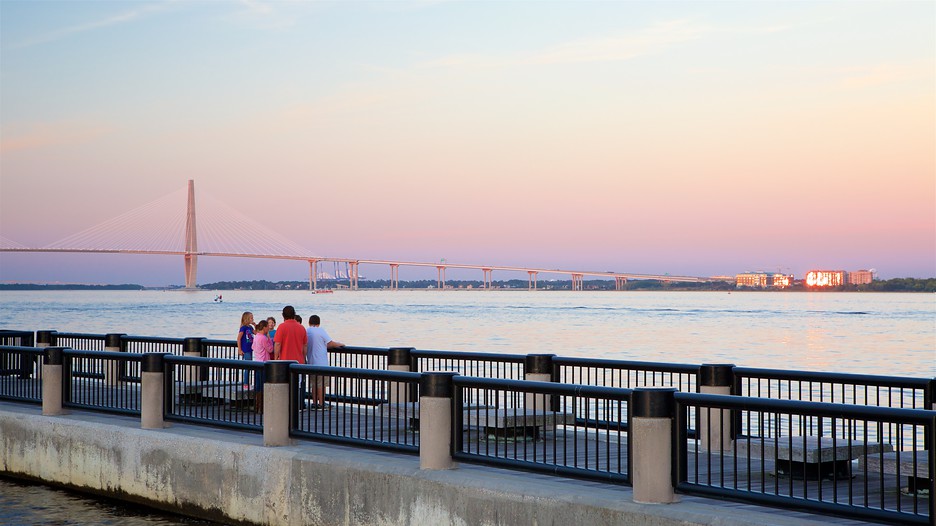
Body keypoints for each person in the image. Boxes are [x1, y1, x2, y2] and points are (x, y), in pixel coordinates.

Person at [306, 314, 344, 409]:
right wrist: (340, 344)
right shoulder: (320, 330)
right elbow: (330, 343)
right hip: (321, 362)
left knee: (313, 384)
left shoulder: (307, 331)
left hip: (310, 362)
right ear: (318, 323)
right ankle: (321, 404)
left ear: (309, 322)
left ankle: (314, 403)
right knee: (321, 384)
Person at [251, 320, 273, 414]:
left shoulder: (256, 337)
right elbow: (270, 349)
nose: (269, 328)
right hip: (264, 363)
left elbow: (253, 347)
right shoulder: (263, 338)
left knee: (258, 385)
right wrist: (269, 339)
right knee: (264, 385)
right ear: (264, 327)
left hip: (257, 362)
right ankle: (262, 407)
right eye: (267, 326)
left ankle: (257, 406)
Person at [236, 312, 255, 389]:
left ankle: (247, 382)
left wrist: (255, 325)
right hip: (245, 349)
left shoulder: (250, 327)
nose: (252, 319)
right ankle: (245, 383)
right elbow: (239, 338)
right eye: (251, 318)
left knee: (249, 366)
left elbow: (257, 333)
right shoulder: (243, 328)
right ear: (247, 319)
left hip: (250, 349)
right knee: (247, 366)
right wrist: (239, 349)